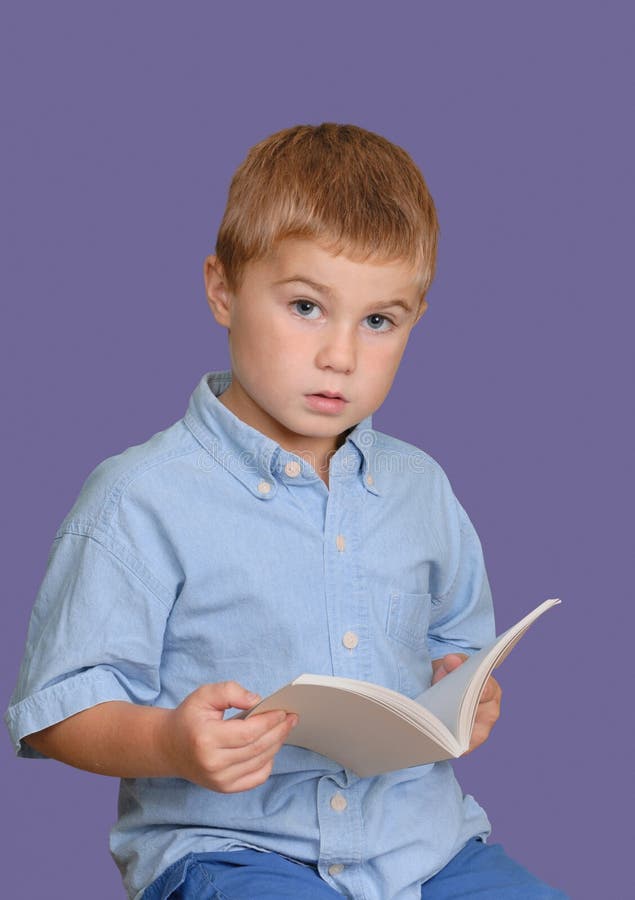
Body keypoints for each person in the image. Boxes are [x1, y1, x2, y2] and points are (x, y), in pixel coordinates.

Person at [5, 123, 567, 899]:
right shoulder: (141, 498)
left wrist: (467, 697)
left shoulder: (421, 488)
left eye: (379, 321)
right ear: (222, 288)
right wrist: (171, 740)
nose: (340, 354)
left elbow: (456, 646)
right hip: (231, 850)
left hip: (423, 847)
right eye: (306, 306)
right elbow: (56, 710)